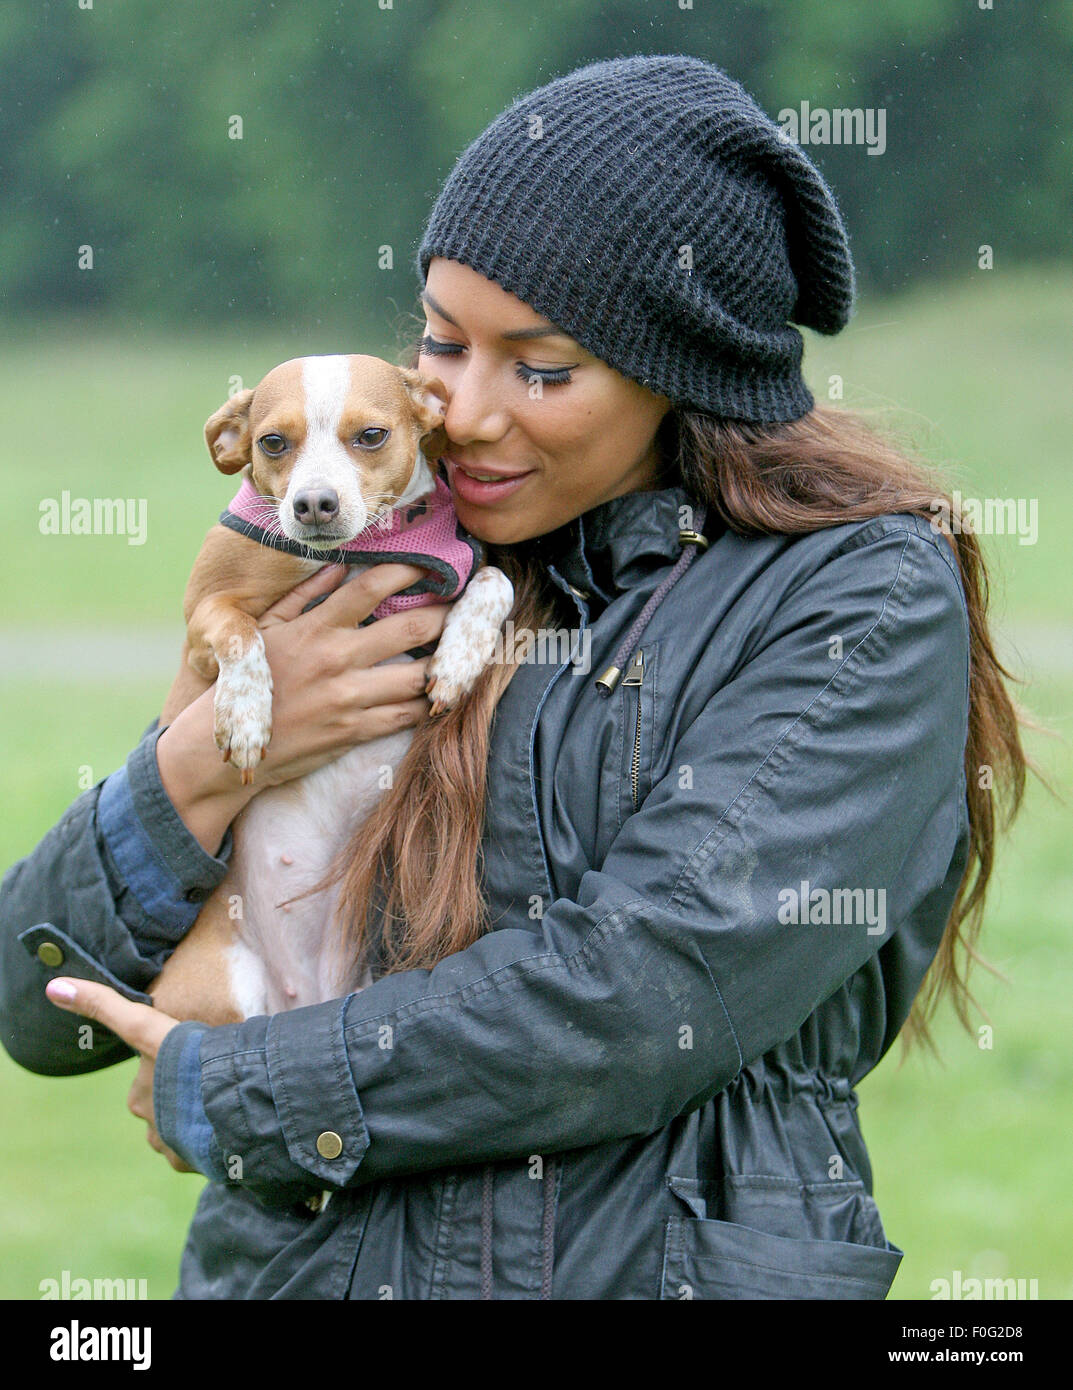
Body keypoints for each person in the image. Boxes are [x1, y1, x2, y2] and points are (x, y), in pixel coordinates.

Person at [0, 54, 1027, 1300]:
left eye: (539, 369)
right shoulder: (394, 549)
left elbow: (641, 996)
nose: (465, 410)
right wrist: (213, 757)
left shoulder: (851, 596)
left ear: (683, 366)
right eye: (441, 341)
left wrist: (243, 1091)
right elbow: (40, 1009)